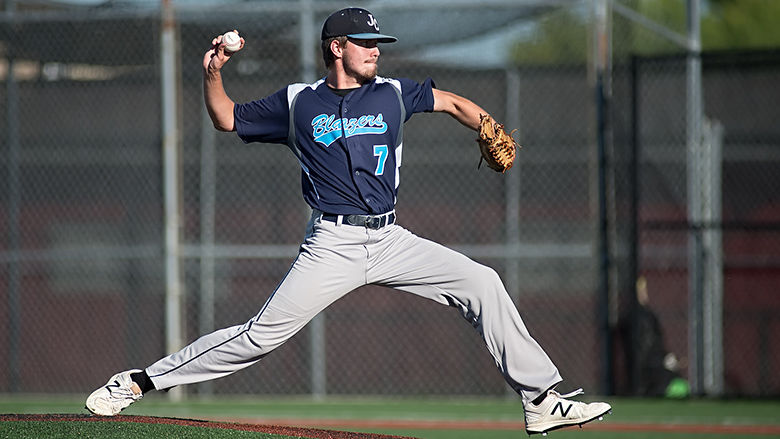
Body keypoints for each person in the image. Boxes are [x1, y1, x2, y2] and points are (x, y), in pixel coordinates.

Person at [85, 8, 611, 435]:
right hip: (332, 243)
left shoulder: (392, 92)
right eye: (365, 42)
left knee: (483, 282)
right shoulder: (297, 102)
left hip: (391, 238)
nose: (375, 50)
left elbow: (450, 102)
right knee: (260, 337)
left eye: (377, 42)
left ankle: (541, 401)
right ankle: (137, 382)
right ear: (337, 47)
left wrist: (487, 124)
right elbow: (225, 117)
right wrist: (213, 72)